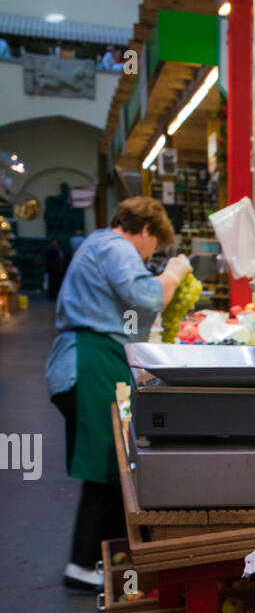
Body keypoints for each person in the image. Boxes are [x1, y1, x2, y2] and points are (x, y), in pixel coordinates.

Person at [46, 197, 191, 591]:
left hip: (92, 360)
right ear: (145, 230)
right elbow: (145, 297)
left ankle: (106, 558)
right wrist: (173, 273)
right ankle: (81, 563)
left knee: (112, 462)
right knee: (104, 463)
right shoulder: (115, 247)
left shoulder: (97, 245)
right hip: (88, 362)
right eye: (154, 247)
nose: (149, 256)